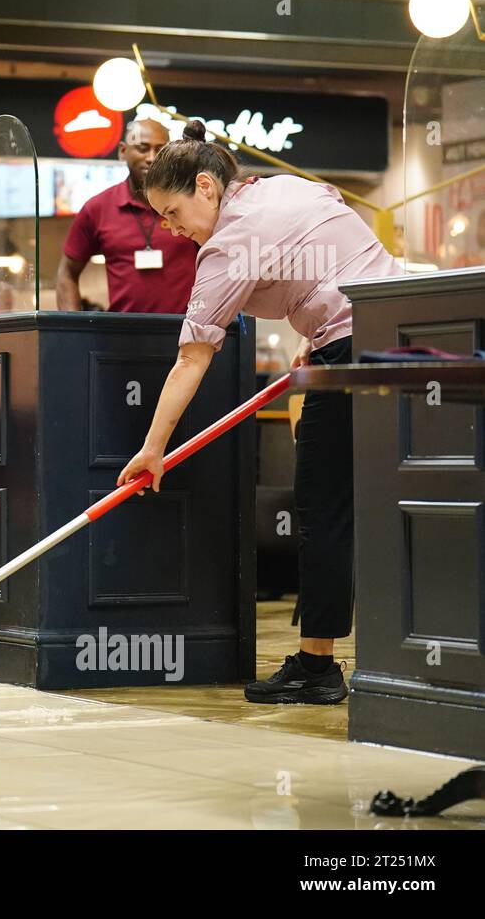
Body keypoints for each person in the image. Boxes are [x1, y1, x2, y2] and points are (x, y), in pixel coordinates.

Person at [117, 120, 402, 706]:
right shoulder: (284, 187)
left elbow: (191, 360)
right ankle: (418, 648)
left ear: (205, 187)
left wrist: (153, 447)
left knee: (325, 510)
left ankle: (319, 669)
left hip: (349, 354)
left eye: (172, 213)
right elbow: (342, 243)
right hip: (405, 336)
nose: (170, 231)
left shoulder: (227, 246)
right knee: (397, 498)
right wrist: (317, 327)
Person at [57, 118, 198, 313]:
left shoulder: (190, 204)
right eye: (142, 148)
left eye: (160, 150)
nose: (151, 158)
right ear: (123, 151)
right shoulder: (97, 208)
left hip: (188, 335)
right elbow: (67, 273)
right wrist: (70, 332)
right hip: (121, 337)